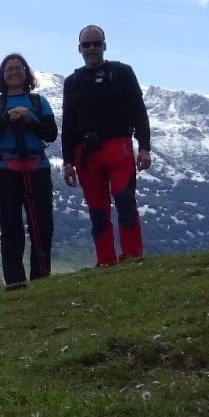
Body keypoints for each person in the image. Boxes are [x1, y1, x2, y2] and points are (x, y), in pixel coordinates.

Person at [60, 26, 152, 267]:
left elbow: (138, 110)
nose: (92, 49)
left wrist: (144, 147)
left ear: (104, 45)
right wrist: (68, 162)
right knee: (98, 211)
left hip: (118, 146)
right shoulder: (72, 82)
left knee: (124, 199)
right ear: (79, 49)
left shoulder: (122, 73)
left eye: (96, 43)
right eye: (87, 45)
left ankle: (132, 256)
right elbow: (68, 123)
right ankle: (106, 262)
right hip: (85, 153)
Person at [0, 53, 58, 289]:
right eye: (8, 70)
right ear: (2, 76)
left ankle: (41, 276)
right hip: (5, 169)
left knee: (42, 224)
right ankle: (15, 279)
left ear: (26, 72)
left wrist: (29, 119)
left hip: (36, 168)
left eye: (18, 68)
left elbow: (50, 133)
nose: (14, 72)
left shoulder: (39, 102)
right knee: (10, 225)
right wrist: (7, 118)